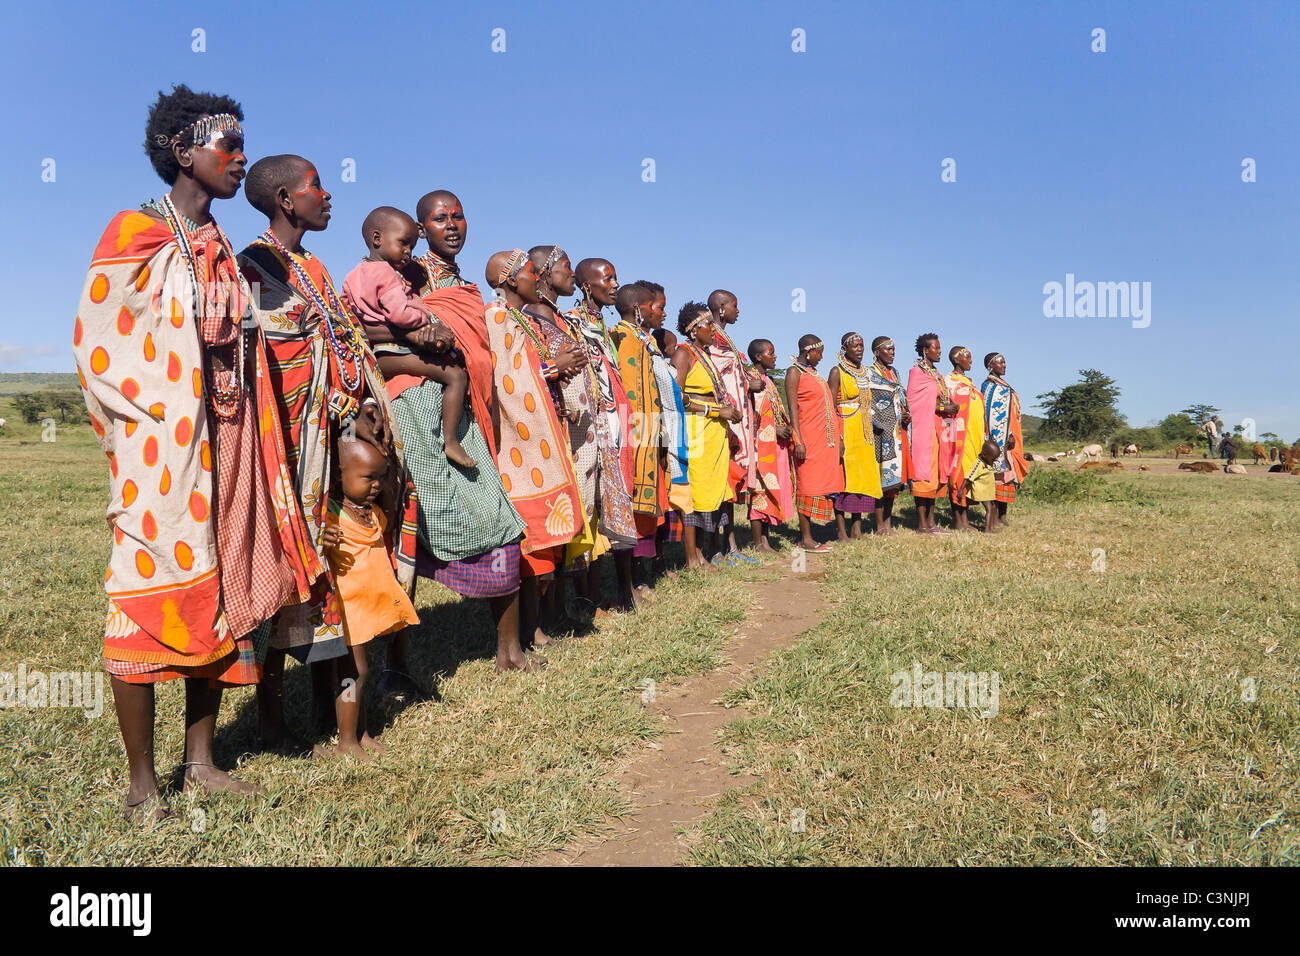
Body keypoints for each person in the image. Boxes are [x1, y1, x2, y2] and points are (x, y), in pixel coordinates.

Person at [73, 87, 321, 818]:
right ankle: (142, 782)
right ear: (184, 153)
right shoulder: (135, 234)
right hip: (163, 444)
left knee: (221, 585)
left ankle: (202, 760)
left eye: (245, 148)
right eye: (227, 147)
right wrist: (170, 396)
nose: (239, 159)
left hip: (233, 433)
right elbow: (99, 342)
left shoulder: (221, 248)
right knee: (145, 592)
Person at [237, 155, 424, 738]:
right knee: (289, 582)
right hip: (291, 452)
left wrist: (365, 400)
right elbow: (263, 361)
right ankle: (272, 719)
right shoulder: (255, 265)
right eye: (317, 187)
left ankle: (326, 709)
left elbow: (342, 344)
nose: (328, 196)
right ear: (286, 200)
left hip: (336, 444)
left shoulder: (313, 265)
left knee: (335, 582)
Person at [483, 248, 587, 646]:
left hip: (539, 441)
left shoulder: (519, 320)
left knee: (544, 547)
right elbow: (504, 379)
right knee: (527, 546)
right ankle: (527, 631)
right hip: (516, 446)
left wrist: (560, 369)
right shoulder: (495, 317)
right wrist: (553, 368)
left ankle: (537, 625)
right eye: (530, 272)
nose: (536, 279)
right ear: (510, 280)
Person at [342, 206, 474, 468]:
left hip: (373, 355)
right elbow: (400, 315)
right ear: (377, 239)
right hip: (394, 351)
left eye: (412, 246)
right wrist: (424, 318)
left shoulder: (353, 275)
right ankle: (450, 441)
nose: (408, 252)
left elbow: (347, 313)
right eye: (403, 243)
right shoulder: (387, 274)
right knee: (456, 375)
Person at [321, 436, 419, 759]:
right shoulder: (333, 516)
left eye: (380, 477)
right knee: (356, 671)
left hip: (367, 609)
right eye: (367, 478)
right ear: (340, 477)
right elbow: (319, 542)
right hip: (349, 611)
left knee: (362, 671)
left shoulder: (371, 512)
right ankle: (346, 741)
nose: (376, 485)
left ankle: (362, 733)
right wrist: (326, 535)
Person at [565, 256, 640, 607]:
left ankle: (619, 593)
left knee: (614, 502)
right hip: (587, 429)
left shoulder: (602, 328)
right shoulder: (572, 324)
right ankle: (586, 600)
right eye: (607, 279)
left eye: (615, 278)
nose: (614, 285)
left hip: (613, 426)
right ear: (585, 286)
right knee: (589, 508)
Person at [611, 281, 671, 600]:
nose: (662, 314)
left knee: (650, 505)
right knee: (635, 505)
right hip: (635, 435)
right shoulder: (623, 338)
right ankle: (632, 582)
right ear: (640, 309)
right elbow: (629, 394)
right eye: (658, 308)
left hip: (651, 432)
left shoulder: (643, 340)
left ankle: (643, 575)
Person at [671, 302, 739, 569]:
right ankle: (693, 557)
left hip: (714, 432)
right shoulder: (683, 354)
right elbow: (677, 397)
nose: (713, 329)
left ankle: (702, 553)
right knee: (696, 492)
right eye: (708, 324)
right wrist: (715, 410)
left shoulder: (703, 354)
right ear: (693, 329)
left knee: (710, 491)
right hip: (696, 430)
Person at [706, 290, 762, 562]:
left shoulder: (725, 338)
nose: (738, 311)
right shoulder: (709, 336)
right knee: (720, 483)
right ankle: (715, 547)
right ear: (721, 307)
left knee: (730, 485)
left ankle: (731, 546)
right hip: (721, 421)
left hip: (738, 419)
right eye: (735, 306)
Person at [786, 335, 844, 553]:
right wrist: (797, 439)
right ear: (808, 350)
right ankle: (806, 539)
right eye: (819, 352)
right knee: (807, 486)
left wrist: (837, 438)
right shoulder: (795, 372)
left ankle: (812, 534)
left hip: (824, 440)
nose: (821, 357)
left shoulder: (815, 374)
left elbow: (829, 407)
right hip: (807, 439)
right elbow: (793, 408)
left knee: (819, 484)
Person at [826, 333, 883, 539]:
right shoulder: (837, 372)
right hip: (845, 429)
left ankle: (857, 528)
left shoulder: (865, 373)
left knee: (860, 479)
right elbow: (830, 406)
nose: (859, 349)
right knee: (844, 479)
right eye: (855, 346)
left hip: (864, 431)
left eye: (862, 346)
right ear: (845, 349)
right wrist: (837, 437)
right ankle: (841, 530)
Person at [906, 332, 958, 534]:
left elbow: (941, 398)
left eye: (939, 348)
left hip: (939, 430)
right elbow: (914, 403)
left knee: (936, 474)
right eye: (936, 348)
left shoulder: (936, 374)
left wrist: (949, 406)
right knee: (923, 474)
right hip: (924, 431)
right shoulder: (916, 372)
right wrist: (944, 409)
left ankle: (932, 523)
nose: (939, 351)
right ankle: (921, 524)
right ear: (925, 350)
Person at [746, 338, 795, 552]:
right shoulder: (750, 380)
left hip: (776, 445)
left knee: (772, 489)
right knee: (759, 489)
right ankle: (758, 542)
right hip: (761, 444)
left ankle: (765, 539)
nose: (775, 356)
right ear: (758, 357)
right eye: (770, 353)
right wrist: (774, 430)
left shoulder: (770, 380)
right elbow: (749, 415)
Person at [866, 336, 911, 534]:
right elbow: (867, 402)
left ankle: (888, 522)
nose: (892, 353)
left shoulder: (895, 373)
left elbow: (899, 399)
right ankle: (879, 525)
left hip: (897, 431)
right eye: (888, 349)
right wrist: (883, 420)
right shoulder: (868, 374)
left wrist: (904, 415)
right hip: (879, 432)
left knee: (892, 479)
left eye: (893, 349)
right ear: (877, 352)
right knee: (879, 477)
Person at [979, 352, 1029, 526]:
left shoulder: (1006, 386)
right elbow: (988, 414)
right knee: (997, 475)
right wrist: (998, 438)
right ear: (990, 366)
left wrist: (1011, 435)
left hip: (1009, 437)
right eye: (1000, 362)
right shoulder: (989, 386)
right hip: (996, 439)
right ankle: (993, 516)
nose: (1004, 365)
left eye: (1005, 362)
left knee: (1008, 476)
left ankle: (1002, 515)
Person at [944, 346, 986, 533]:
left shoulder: (970, 383)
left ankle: (965, 517)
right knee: (958, 475)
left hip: (975, 438)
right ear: (956, 359)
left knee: (970, 475)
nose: (970, 361)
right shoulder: (949, 382)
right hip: (959, 437)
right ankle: (959, 521)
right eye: (967, 357)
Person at [964, 439, 1001, 533]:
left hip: (987, 491)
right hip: (982, 491)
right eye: (993, 459)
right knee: (989, 508)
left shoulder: (987, 462)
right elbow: (969, 476)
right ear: (984, 455)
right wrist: (961, 490)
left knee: (992, 507)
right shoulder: (979, 464)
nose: (994, 461)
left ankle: (991, 526)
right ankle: (987, 529)